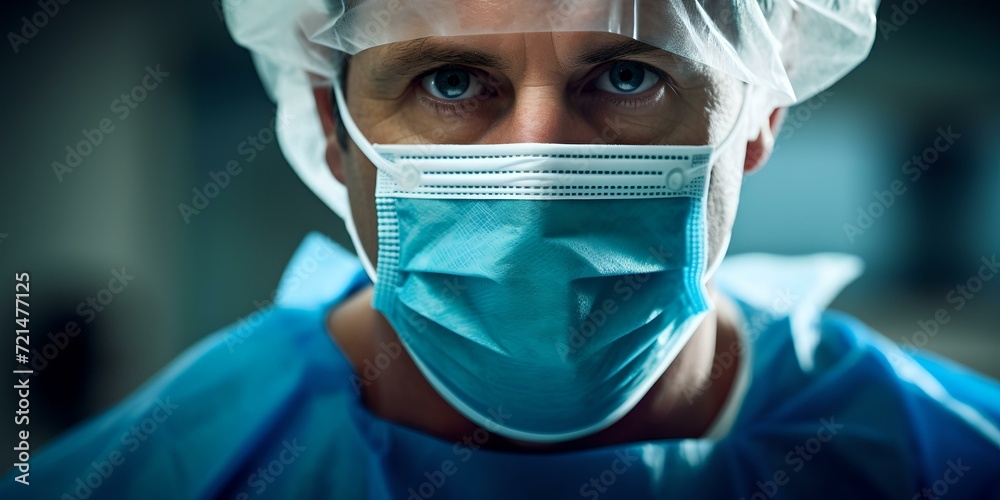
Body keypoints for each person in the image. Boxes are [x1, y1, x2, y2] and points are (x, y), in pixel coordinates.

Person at [5, 1, 1000, 498]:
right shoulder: (169, 468)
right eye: (447, 81)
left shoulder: (948, 455)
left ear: (755, 118)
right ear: (332, 121)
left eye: (624, 78)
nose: (535, 167)